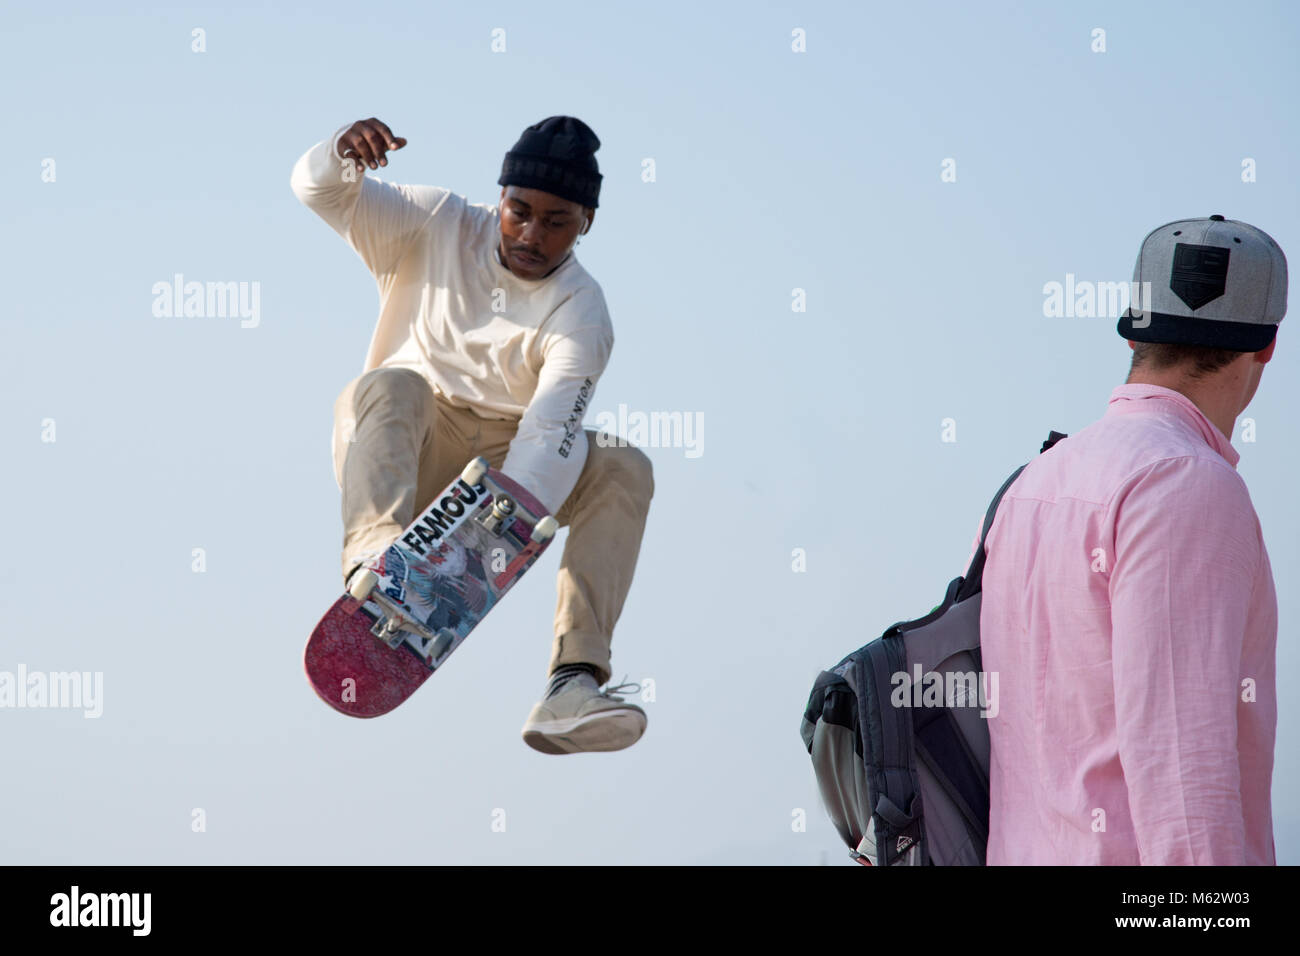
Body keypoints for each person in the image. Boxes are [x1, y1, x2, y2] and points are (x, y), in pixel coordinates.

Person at [290, 115, 654, 754]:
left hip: (504, 466)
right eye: (520, 212)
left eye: (557, 222)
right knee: (392, 383)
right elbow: (321, 192)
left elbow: (548, 435)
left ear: (586, 223)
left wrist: (484, 539)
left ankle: (572, 679)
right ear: (500, 199)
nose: (532, 236)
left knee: (623, 464)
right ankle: (376, 565)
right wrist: (340, 155)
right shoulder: (435, 221)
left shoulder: (581, 310)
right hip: (404, 445)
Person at [980, 215, 1285, 864]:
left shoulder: (1030, 483)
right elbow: (1183, 775)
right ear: (1267, 347)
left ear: (1132, 332)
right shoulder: (1185, 482)